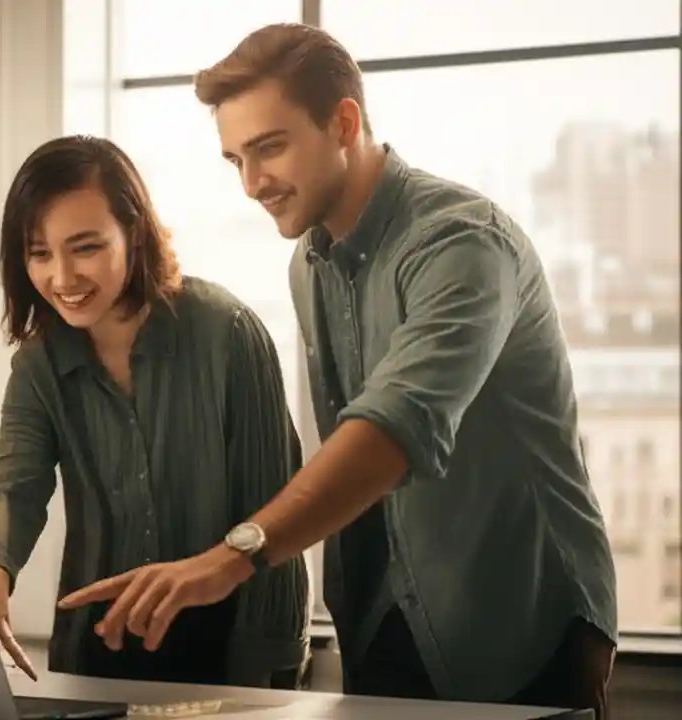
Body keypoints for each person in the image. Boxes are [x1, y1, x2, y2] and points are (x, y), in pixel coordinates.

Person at [60, 22, 619, 719]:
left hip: (517, 624)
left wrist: (233, 556)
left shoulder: (462, 243)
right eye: (235, 159)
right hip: (382, 628)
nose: (251, 183)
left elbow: (392, 429)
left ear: (344, 121)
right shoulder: (309, 264)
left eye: (269, 148)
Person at [0, 135, 311, 689]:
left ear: (135, 234)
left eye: (85, 247)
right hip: (96, 655)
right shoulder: (40, 363)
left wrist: (261, 676)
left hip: (232, 659)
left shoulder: (228, 332)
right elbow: (13, 486)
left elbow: (274, 513)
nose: (62, 277)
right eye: (39, 253)